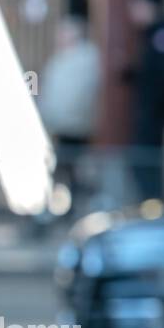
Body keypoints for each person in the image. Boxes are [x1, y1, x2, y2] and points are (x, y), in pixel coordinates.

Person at [39, 16, 100, 212]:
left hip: (75, 125)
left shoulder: (84, 59)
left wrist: (68, 115)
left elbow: (79, 94)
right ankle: (65, 209)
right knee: (65, 170)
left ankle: (75, 207)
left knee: (71, 169)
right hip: (61, 124)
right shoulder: (61, 59)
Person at [125, 0, 164, 201]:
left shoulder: (163, 32)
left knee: (146, 160)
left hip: (155, 113)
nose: (132, 15)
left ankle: (153, 206)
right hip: (152, 111)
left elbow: (163, 75)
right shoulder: (153, 33)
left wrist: (155, 108)